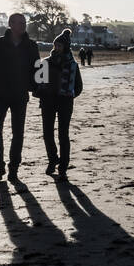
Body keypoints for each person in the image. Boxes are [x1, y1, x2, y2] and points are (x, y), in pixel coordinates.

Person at [0, 13, 40, 183]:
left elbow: (38, 70)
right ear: (10, 24)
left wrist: (34, 88)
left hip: (20, 95)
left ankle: (14, 168)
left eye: (24, 23)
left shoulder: (31, 46)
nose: (23, 26)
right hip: (0, 95)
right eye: (19, 23)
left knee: (18, 133)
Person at [38, 29, 83, 182]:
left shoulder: (72, 65)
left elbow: (78, 87)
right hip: (47, 102)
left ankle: (63, 167)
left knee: (63, 135)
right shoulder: (45, 63)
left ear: (66, 47)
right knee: (47, 134)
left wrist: (68, 95)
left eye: (60, 46)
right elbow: (37, 82)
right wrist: (42, 92)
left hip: (65, 103)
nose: (57, 48)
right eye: (55, 45)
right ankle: (52, 160)